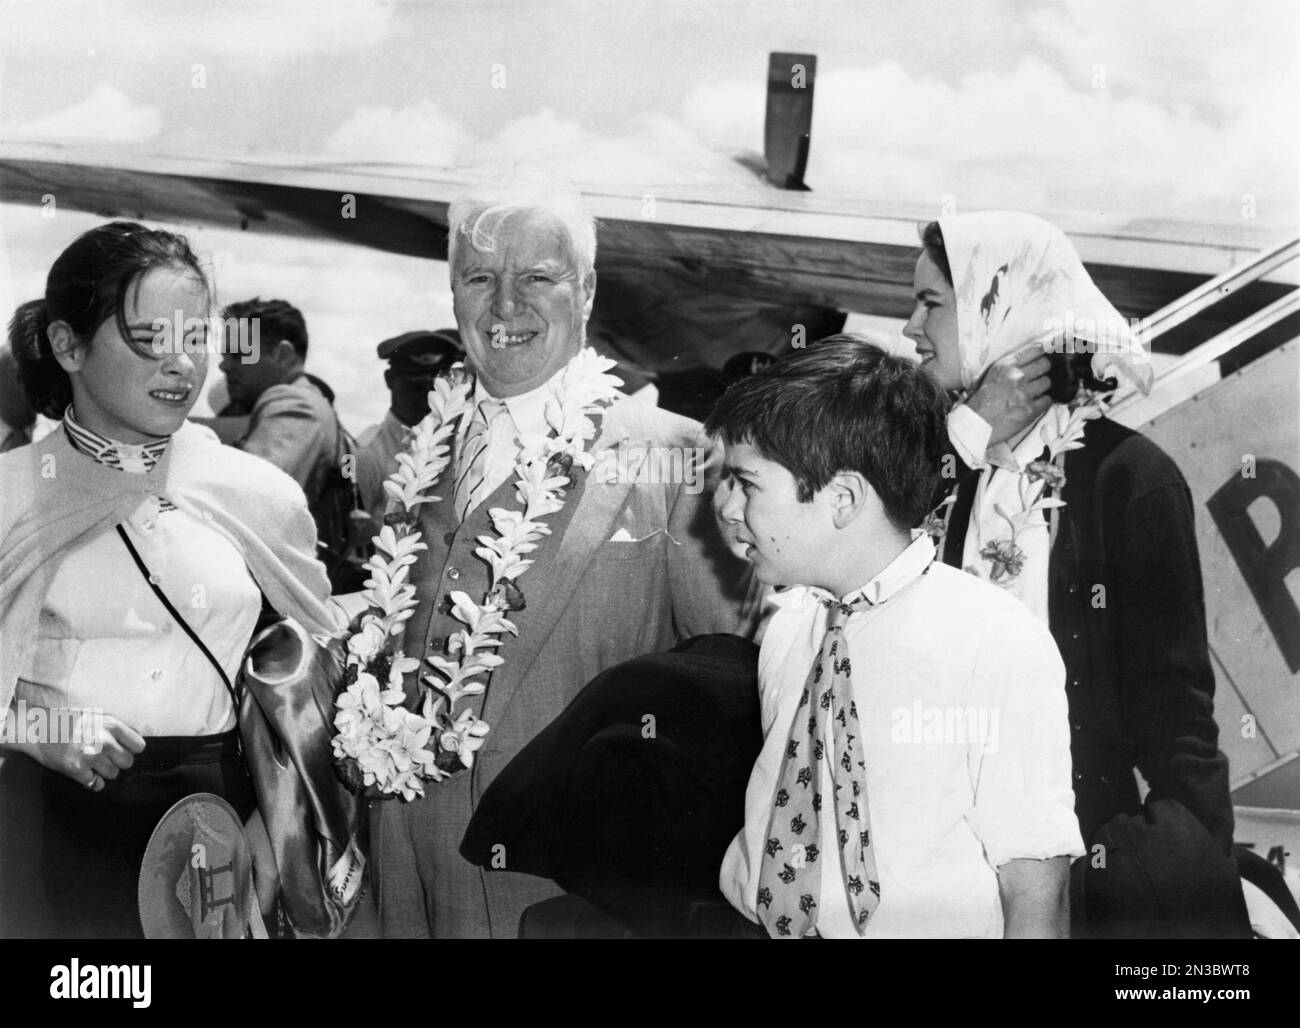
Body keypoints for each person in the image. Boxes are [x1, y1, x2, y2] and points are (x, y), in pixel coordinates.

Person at [368, 169, 757, 939]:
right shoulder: (412, 461)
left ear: (584, 294)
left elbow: (734, 698)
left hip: (567, 897)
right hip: (405, 886)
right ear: (453, 294)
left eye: (537, 278)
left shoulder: (678, 460)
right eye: (480, 277)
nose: (505, 305)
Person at [907, 211, 1249, 937]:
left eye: (933, 303)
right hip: (923, 859)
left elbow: (1176, 716)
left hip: (1066, 879)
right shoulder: (932, 463)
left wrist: (1194, 893)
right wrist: (967, 436)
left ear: (1002, 315)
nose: (911, 326)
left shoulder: (1128, 481)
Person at [0, 222, 339, 938]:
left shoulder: (259, 494)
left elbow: (314, 676)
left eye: (195, 337)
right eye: (149, 336)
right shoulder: (10, 495)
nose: (181, 364)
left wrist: (273, 827)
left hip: (220, 834)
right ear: (68, 346)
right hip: (45, 835)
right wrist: (39, 724)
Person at [709, 336, 1083, 938]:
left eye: (747, 484)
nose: (726, 508)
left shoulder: (993, 639)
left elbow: (1036, 882)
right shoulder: (790, 625)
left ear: (842, 500)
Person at [218, 298, 362, 590]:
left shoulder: (292, 403)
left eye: (238, 353)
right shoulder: (316, 404)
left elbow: (244, 504)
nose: (224, 365)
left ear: (281, 354)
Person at [355, 328, 462, 527]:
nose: (429, 394)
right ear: (390, 380)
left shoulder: (458, 443)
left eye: (438, 383)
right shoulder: (365, 454)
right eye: (417, 384)